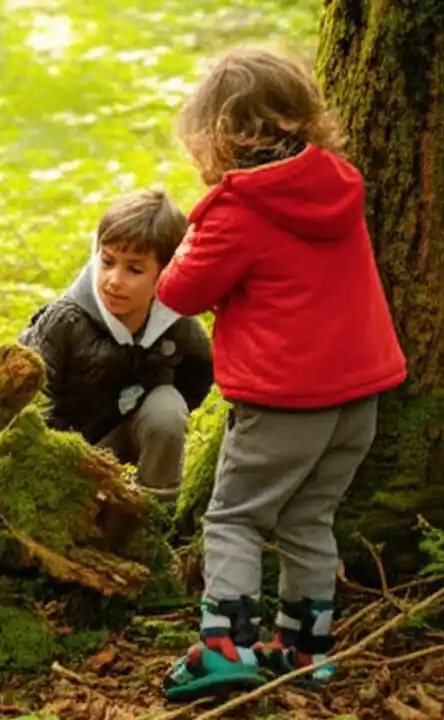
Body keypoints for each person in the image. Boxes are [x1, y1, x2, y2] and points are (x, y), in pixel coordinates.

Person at [157, 48, 406, 701]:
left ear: (214, 134)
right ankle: (308, 646)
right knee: (309, 518)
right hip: (359, 394)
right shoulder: (338, 182)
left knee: (236, 517)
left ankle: (225, 646)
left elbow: (180, 292)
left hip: (286, 399)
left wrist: (185, 241)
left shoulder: (235, 210)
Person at [19, 189, 212, 501]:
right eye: (107, 262)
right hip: (67, 444)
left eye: (134, 269)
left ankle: (154, 506)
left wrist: (147, 422)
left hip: (125, 433)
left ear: (165, 273)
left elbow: (198, 374)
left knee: (167, 410)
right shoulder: (65, 320)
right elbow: (36, 400)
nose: (113, 280)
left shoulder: (177, 326)